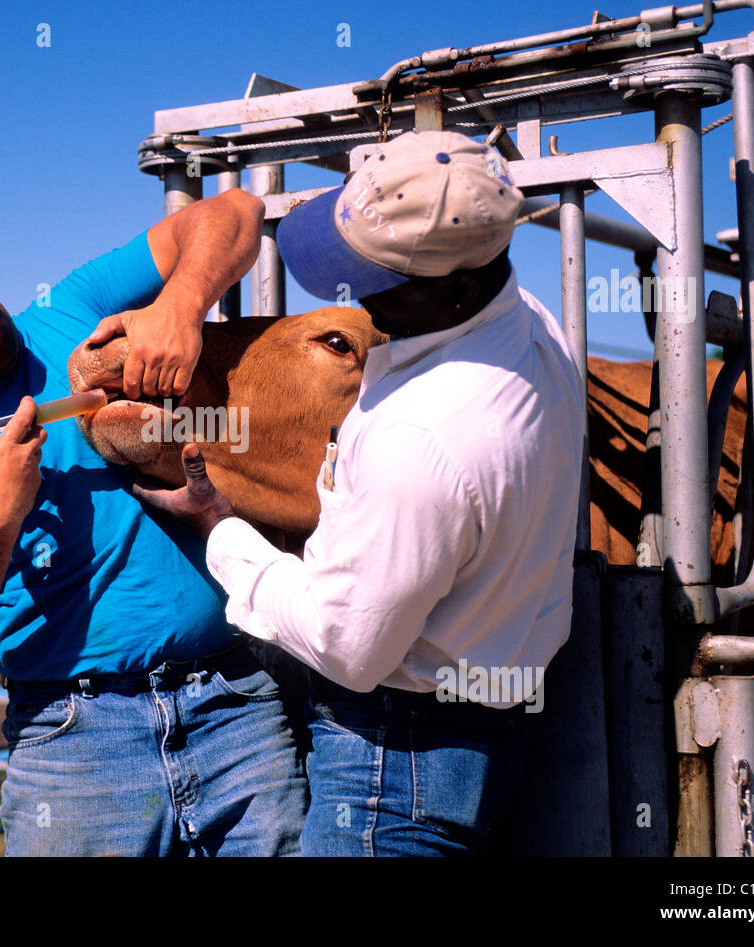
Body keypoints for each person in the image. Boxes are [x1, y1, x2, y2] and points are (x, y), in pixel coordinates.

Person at [133, 130, 584, 856]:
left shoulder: (419, 436)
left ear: (458, 287)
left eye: (376, 279)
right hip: (487, 735)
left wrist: (220, 528)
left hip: (391, 763)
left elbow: (349, 647)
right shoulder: (533, 322)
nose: (353, 293)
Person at [0, 195, 307, 857]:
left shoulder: (70, 311)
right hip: (75, 744)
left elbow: (235, 210)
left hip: (236, 705)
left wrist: (181, 303)